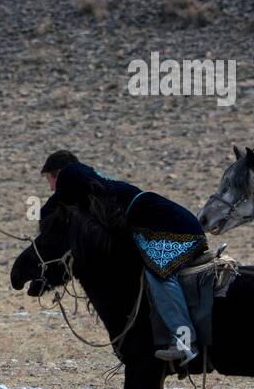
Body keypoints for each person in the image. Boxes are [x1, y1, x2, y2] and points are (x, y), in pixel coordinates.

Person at [42, 153, 207, 366]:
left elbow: (50, 207)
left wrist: (44, 228)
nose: (51, 188)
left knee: (159, 274)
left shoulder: (72, 172)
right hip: (166, 222)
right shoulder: (88, 182)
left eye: (49, 180)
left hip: (171, 225)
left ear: (58, 172)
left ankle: (185, 342)